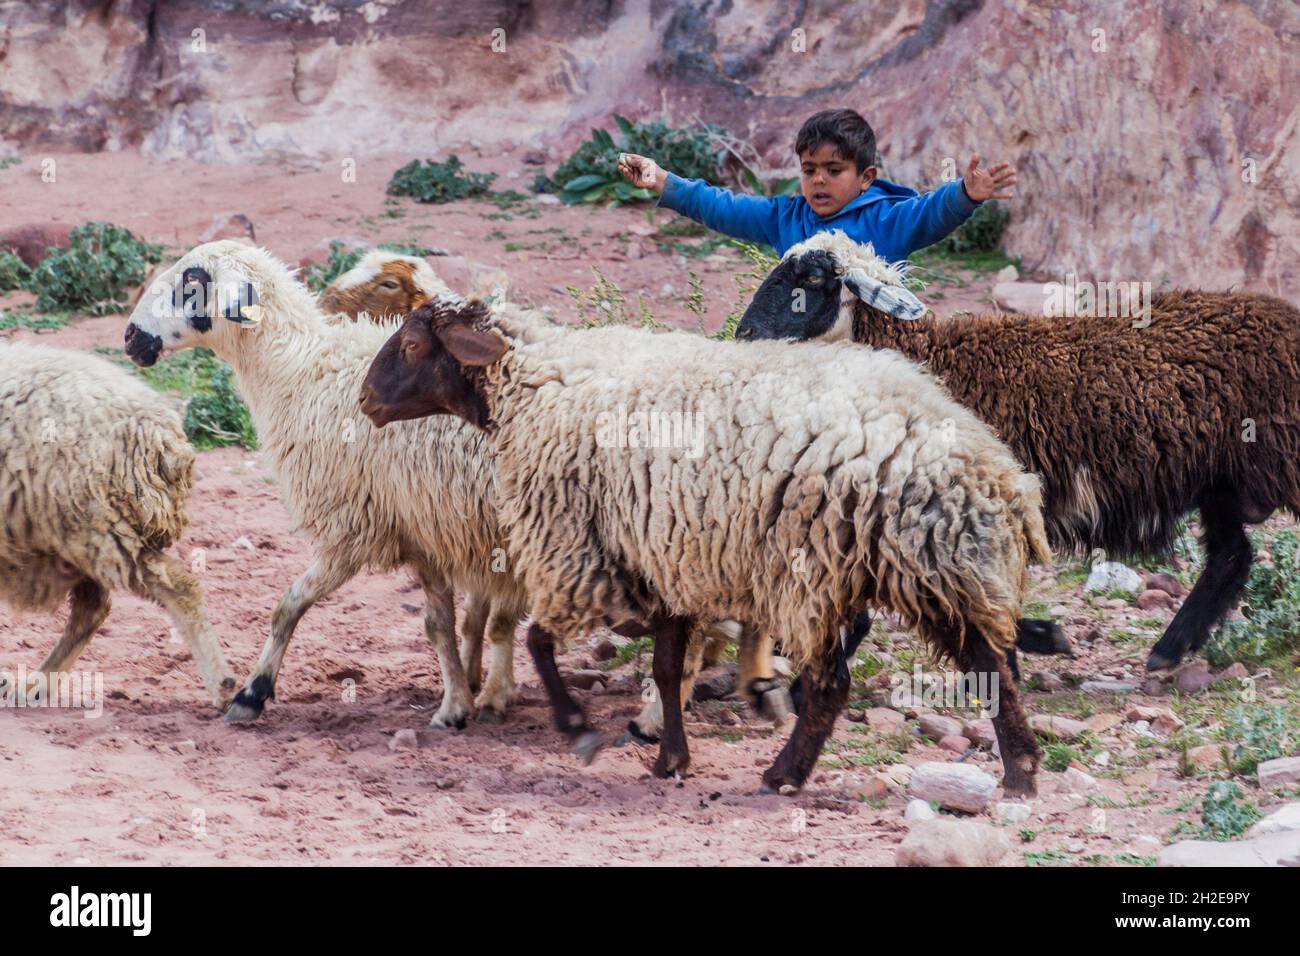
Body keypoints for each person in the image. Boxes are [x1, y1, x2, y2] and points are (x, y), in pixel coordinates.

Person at [617, 107, 1017, 262]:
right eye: (809, 170)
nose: (819, 179)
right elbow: (720, 205)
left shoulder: (887, 221)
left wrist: (965, 194)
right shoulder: (785, 218)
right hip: (804, 361)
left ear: (866, 178)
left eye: (834, 169)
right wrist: (657, 178)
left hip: (872, 365)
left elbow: (931, 212)